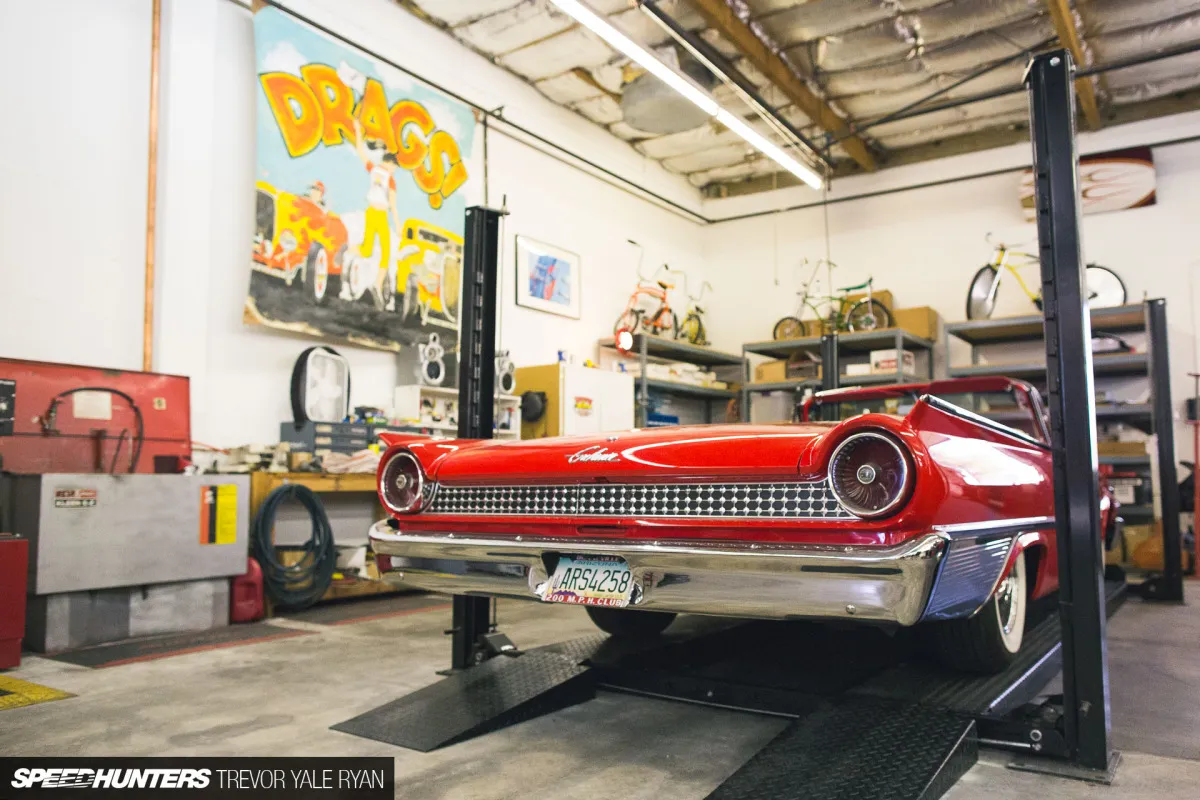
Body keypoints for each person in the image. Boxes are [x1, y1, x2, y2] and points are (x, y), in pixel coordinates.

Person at [352, 118, 401, 309]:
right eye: (394, 167)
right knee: (385, 253)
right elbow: (393, 205)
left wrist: (358, 131)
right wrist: (398, 225)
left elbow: (360, 151)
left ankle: (349, 253)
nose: (394, 171)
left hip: (371, 212)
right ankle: (377, 284)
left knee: (367, 249)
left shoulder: (373, 169)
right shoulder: (391, 179)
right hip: (379, 215)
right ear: (390, 164)